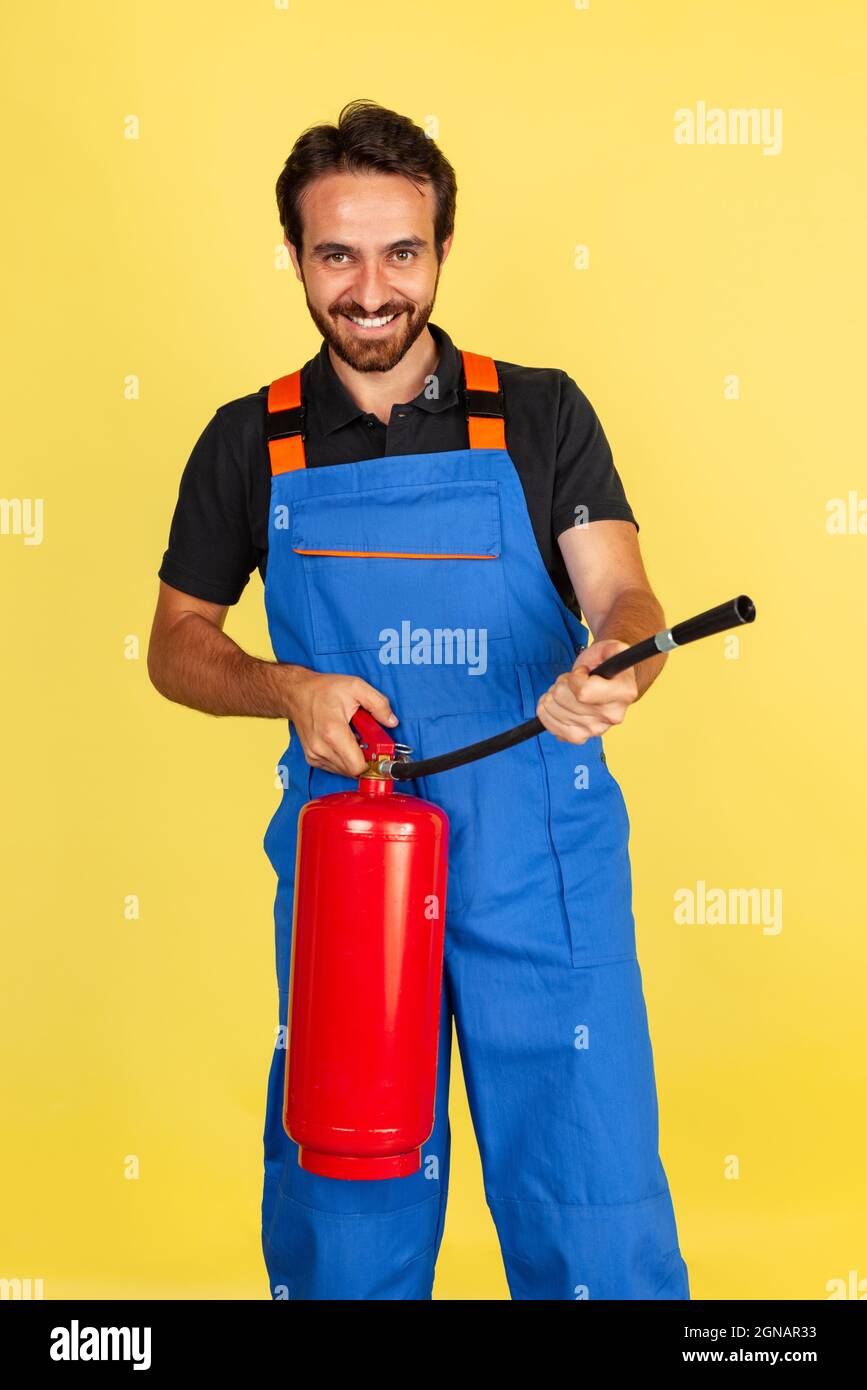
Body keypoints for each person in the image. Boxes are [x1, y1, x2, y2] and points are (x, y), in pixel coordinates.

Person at [148, 99, 690, 1301]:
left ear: (442, 249)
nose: (372, 288)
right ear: (296, 256)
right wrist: (282, 685)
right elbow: (177, 645)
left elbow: (631, 600)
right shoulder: (252, 441)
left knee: (589, 1187)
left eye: (403, 252)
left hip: (540, 855)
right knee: (347, 1197)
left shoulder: (539, 412)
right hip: (354, 869)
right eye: (337, 254)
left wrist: (619, 663)